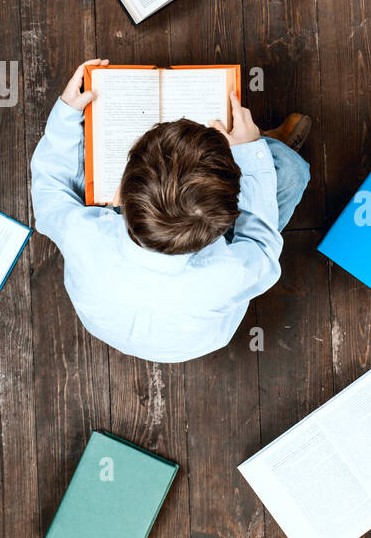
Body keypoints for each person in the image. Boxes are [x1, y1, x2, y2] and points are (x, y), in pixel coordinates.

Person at [30, 58, 311, 362]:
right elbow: (261, 244)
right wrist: (251, 154)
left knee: (77, 155)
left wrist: (67, 114)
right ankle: (264, 146)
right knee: (291, 171)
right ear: (227, 221)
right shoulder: (229, 274)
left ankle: (260, 152)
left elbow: (49, 189)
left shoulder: (82, 234)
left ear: (119, 194)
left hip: (110, 322)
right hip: (190, 333)